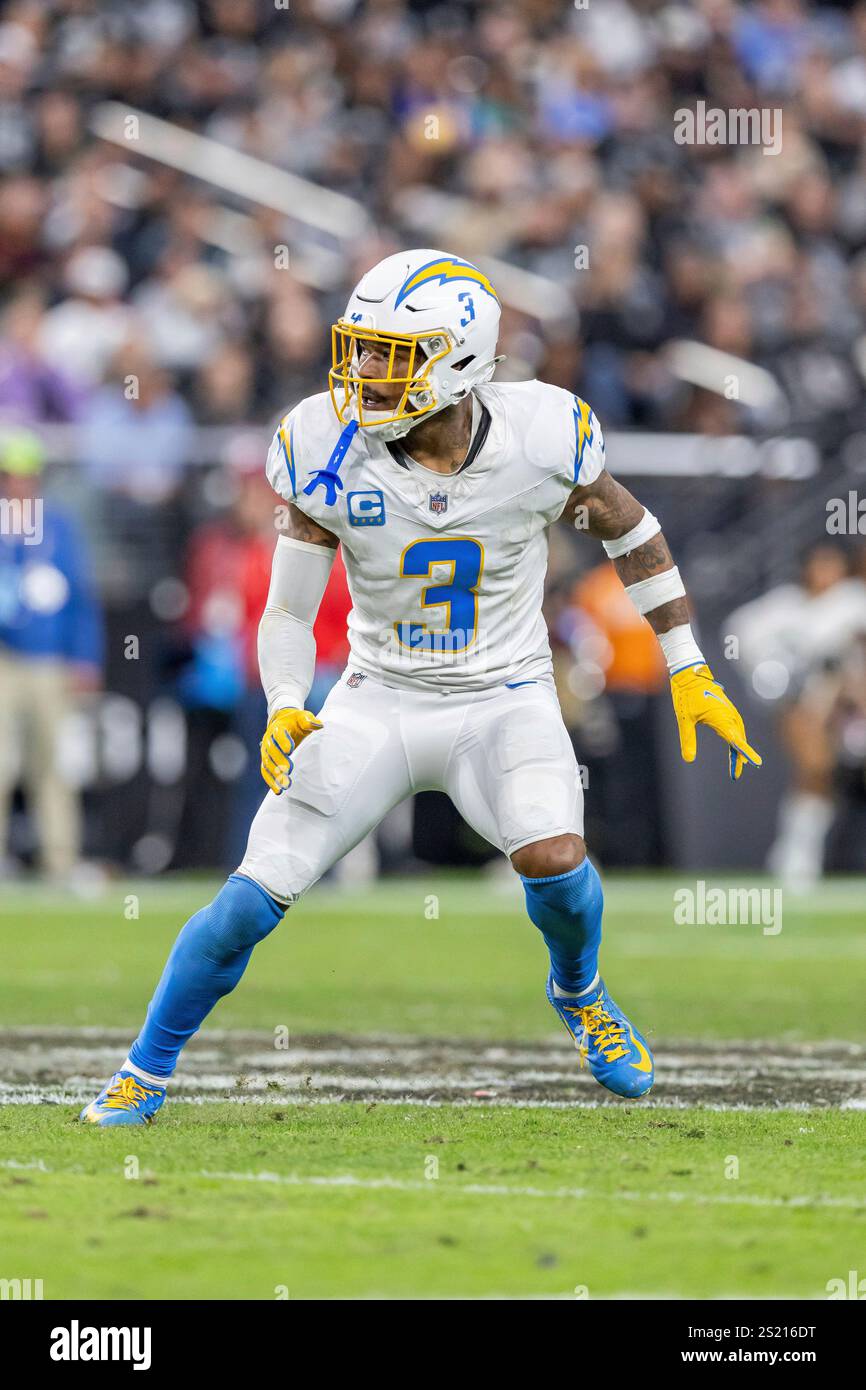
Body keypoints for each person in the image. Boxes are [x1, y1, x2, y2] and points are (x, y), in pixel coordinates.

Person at [80, 250, 761, 1126]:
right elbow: (288, 613)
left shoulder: (540, 435)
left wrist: (689, 667)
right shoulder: (324, 445)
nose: (364, 370)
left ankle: (580, 991)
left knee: (554, 859)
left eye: (390, 354)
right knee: (247, 899)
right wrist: (289, 701)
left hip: (504, 696)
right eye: (360, 349)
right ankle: (144, 1069)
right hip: (375, 697)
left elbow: (636, 534)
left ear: (463, 358)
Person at [0, 429, 103, 878]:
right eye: (10, 477)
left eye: (25, 476)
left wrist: (85, 658)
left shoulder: (59, 526)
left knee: (54, 768)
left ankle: (59, 860)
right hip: (5, 660)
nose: (18, 485)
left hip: (49, 663)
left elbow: (81, 597)